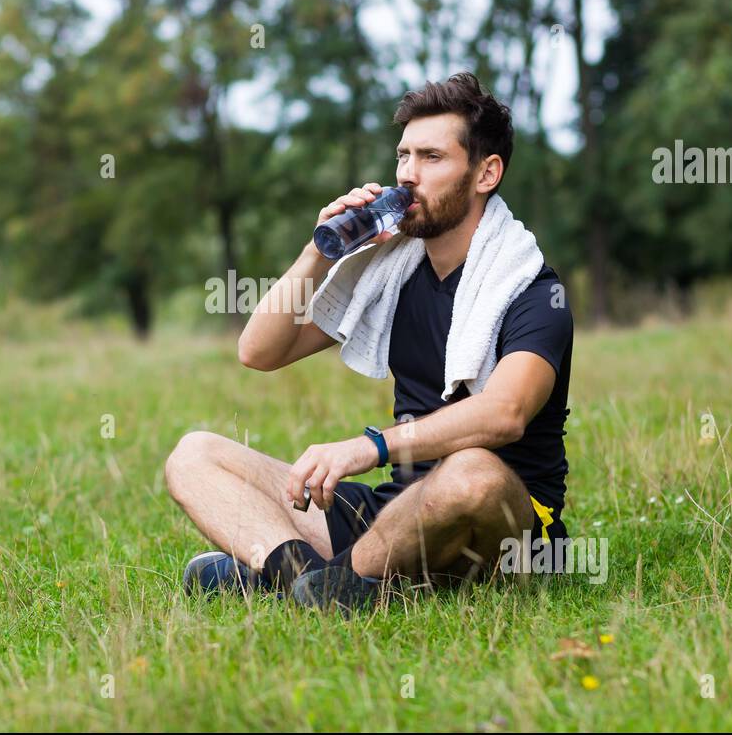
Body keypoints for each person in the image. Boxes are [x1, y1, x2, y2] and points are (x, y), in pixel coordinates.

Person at [165, 72, 572, 612]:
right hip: (393, 511)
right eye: (403, 156)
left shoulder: (534, 291)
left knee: (471, 473)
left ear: (485, 173)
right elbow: (259, 351)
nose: (408, 175)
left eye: (431, 158)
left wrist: (371, 447)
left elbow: (504, 414)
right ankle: (314, 581)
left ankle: (317, 577)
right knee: (194, 455)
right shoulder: (390, 270)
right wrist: (318, 251)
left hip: (502, 527)